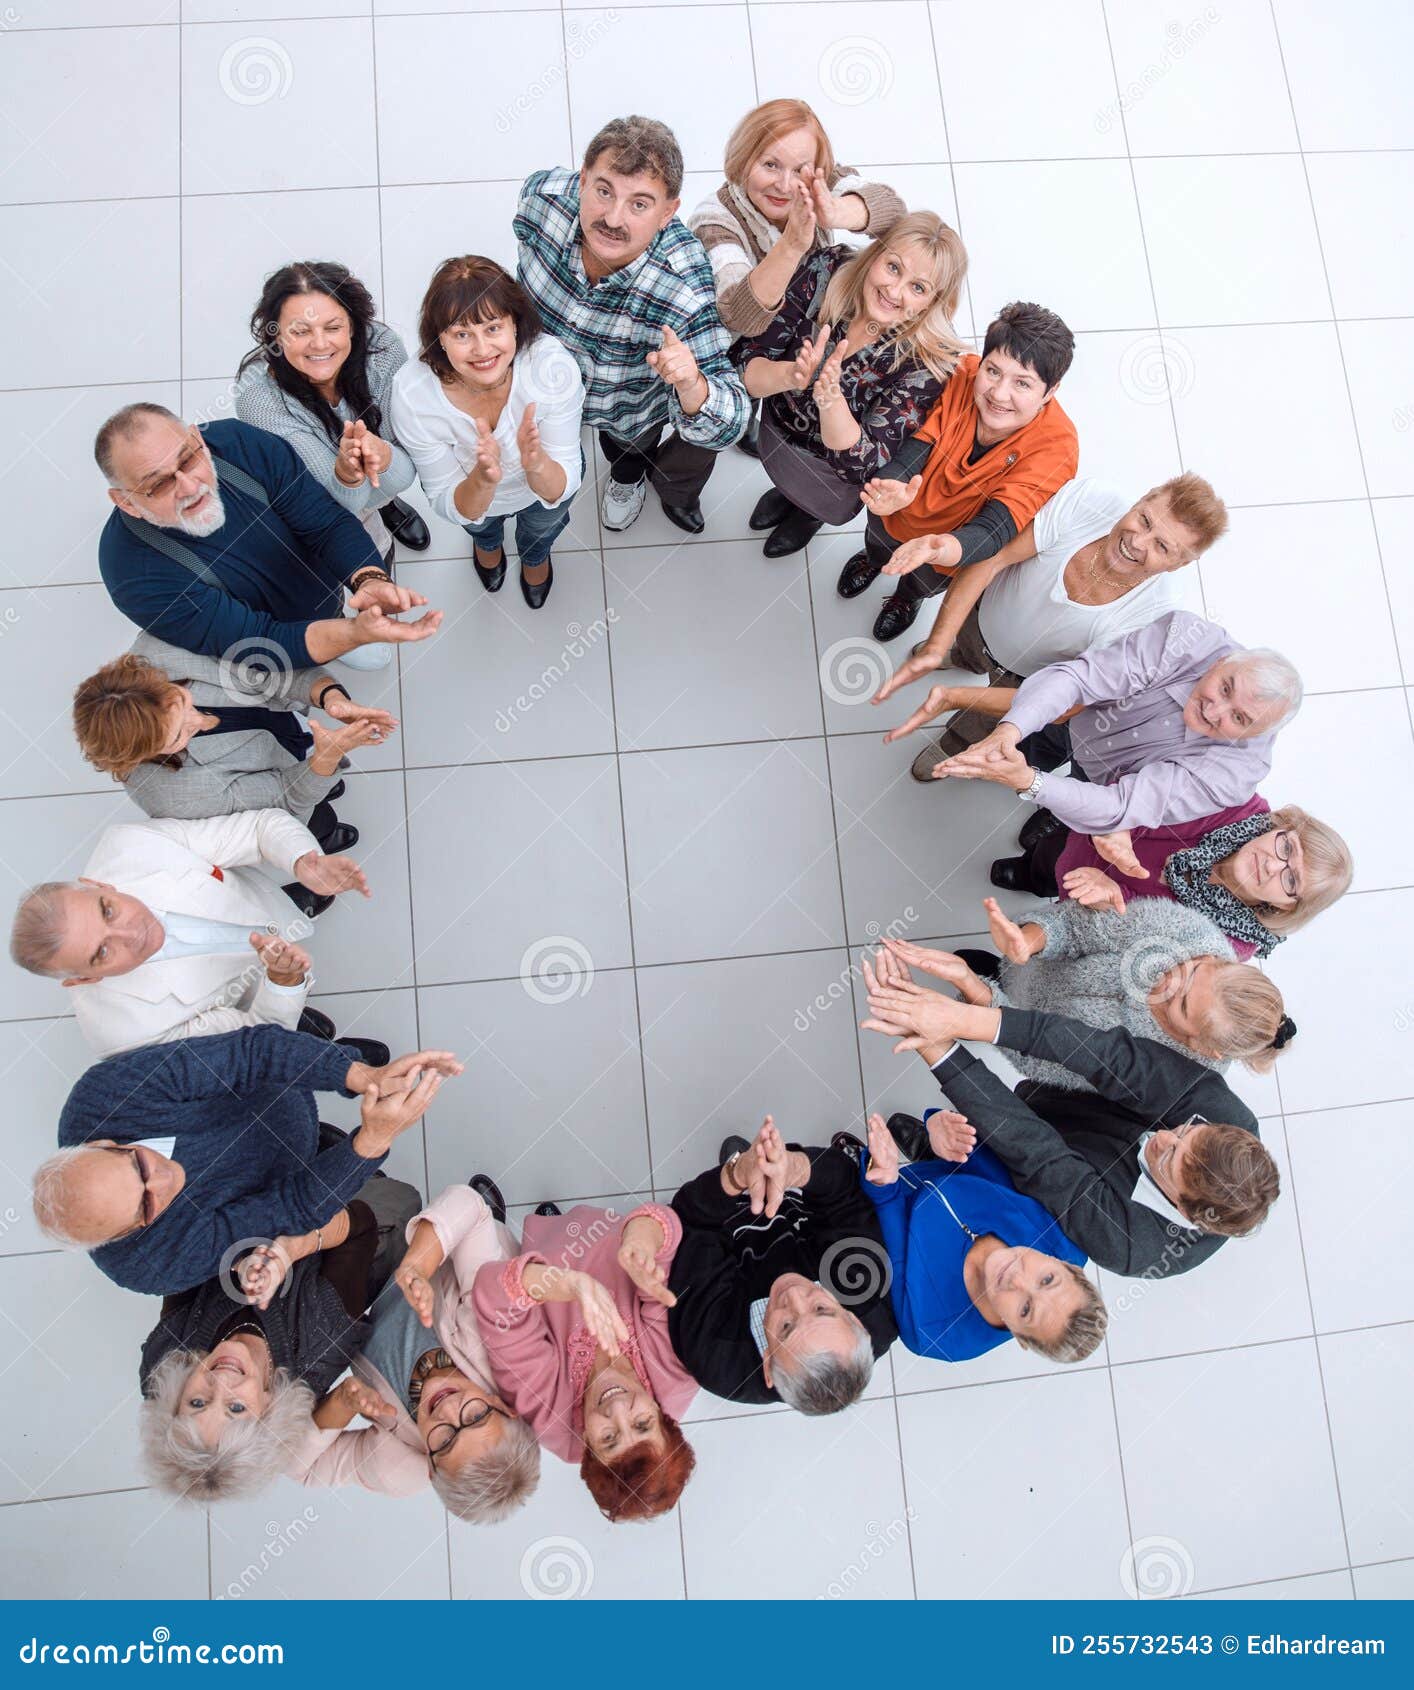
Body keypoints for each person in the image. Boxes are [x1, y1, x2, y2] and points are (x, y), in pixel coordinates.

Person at [858, 950, 1280, 1280]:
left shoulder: (1133, 1244)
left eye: (1171, 1158)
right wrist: (964, 1018)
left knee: (989, 1148)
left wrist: (934, 1046)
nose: (1164, 1137)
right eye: (1187, 1130)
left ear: (1185, 1212)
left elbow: (1036, 1152)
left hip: (1056, 1174)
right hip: (1086, 1106)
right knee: (1026, 1096)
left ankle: (934, 1151)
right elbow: (1101, 1054)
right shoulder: (1226, 1115)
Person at [33, 1025, 459, 1294]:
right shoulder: (147, 1264)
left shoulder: (100, 1098)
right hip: (286, 1168)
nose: (166, 1179)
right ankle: (328, 1139)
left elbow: (251, 1054)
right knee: (337, 1170)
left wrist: (363, 1077)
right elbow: (292, 1207)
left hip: (269, 1086)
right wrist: (372, 1139)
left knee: (306, 1059)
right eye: (146, 1205)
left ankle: (327, 1057)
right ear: (127, 1233)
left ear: (106, 1142)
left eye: (140, 1167)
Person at [874, 473, 1229, 781]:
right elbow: (993, 559)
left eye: (1162, 546)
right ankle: (959, 657)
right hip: (986, 614)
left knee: (981, 725)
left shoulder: (1153, 618)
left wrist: (956, 699)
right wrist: (938, 642)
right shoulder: (1090, 500)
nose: (1137, 542)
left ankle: (953, 745)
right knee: (968, 647)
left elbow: (1067, 704)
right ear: (1141, 499)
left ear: (1180, 564)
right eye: (1145, 520)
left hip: (1028, 680)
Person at [928, 612, 1303, 882]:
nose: (1215, 710)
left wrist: (1032, 783)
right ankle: (1004, 760)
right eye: (1224, 688)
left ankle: (1035, 867)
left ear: (1252, 736)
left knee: (1069, 838)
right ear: (1221, 662)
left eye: (1238, 719)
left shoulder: (1235, 774)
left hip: (1114, 789)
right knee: (1034, 739)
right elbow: (1080, 681)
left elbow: (1119, 806)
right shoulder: (1188, 639)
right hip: (1080, 719)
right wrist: (1010, 730)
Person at [514, 114, 749, 537]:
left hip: (620, 409)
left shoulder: (685, 290)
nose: (614, 218)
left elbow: (731, 421)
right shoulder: (541, 196)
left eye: (639, 204)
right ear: (583, 179)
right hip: (535, 384)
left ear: (668, 212)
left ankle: (627, 478)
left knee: (625, 449)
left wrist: (692, 382)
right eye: (604, 191)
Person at [95, 403, 441, 678]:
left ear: (197, 438)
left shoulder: (238, 444)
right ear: (126, 502)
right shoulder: (131, 574)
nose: (189, 486)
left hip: (330, 587)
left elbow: (323, 522)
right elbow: (256, 640)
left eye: (188, 458)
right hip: (281, 637)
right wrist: (352, 633)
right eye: (158, 485)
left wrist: (368, 578)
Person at [138, 1175, 421, 1503]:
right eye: (237, 1407)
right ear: (267, 1407)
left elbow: (183, 1264)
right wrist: (293, 1247)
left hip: (251, 1215)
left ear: (176, 1397)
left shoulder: (166, 1364)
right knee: (400, 1202)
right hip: (338, 1241)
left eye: (197, 1402)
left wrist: (233, 1257)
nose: (221, 1381)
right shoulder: (322, 1340)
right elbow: (361, 1227)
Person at [9, 809, 370, 1058]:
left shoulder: (130, 844)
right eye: (103, 952)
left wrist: (304, 863)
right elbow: (255, 1034)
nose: (132, 932)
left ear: (96, 883)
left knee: (278, 912)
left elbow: (257, 830)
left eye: (108, 910)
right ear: (84, 979)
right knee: (290, 1036)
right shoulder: (127, 1035)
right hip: (254, 995)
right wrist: (282, 981)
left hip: (255, 902)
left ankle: (295, 902)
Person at [293, 1178, 541, 1523]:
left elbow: (305, 1469)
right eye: (475, 1417)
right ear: (502, 1406)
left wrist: (342, 1404)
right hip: (455, 1264)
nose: (449, 1410)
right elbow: (469, 1206)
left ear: (430, 1466)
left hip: (377, 1300)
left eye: (446, 1442)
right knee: (403, 1202)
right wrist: (417, 1268)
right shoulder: (495, 1340)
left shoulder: (398, 1467)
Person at [71, 644, 392, 906]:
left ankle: (320, 780)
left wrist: (329, 697)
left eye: (181, 701)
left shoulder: (164, 649)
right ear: (148, 755)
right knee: (317, 821)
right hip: (277, 787)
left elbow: (271, 668)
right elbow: (284, 801)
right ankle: (324, 830)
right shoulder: (176, 795)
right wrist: (326, 758)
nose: (198, 720)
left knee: (316, 778)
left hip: (283, 734)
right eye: (178, 736)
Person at [838, 301, 1078, 641]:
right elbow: (918, 445)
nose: (999, 393)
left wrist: (938, 548)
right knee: (878, 543)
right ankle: (872, 561)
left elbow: (996, 528)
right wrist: (892, 482)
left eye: (1022, 384)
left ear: (1049, 393)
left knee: (922, 580)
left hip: (952, 548)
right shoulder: (961, 375)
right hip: (898, 511)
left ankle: (906, 599)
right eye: (992, 371)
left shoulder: (1057, 448)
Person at [882, 896, 1293, 1092]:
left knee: (978, 990)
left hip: (1023, 1023)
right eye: (1192, 969)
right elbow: (1080, 927)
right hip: (1037, 968)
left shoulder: (1165, 1077)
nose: (1169, 982)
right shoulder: (1191, 935)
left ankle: (990, 989)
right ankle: (1000, 974)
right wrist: (1028, 942)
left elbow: (1037, 1058)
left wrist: (979, 998)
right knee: (990, 966)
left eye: (1181, 1005)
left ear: (1204, 1047)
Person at [735, 212, 966, 558]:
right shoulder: (827, 270)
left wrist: (831, 402)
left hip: (828, 475)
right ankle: (785, 493)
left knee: (814, 502)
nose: (894, 290)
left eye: (918, 288)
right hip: (778, 427)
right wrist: (789, 376)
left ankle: (809, 516)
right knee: (782, 478)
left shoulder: (928, 365)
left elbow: (865, 465)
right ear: (875, 253)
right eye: (893, 267)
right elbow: (745, 358)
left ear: (932, 303)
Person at [688, 97, 905, 458]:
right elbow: (741, 317)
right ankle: (681, 484)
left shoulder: (818, 181)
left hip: (793, 327)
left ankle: (755, 421)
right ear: (743, 161)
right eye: (770, 165)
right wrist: (790, 247)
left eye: (799, 169)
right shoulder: (715, 220)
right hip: (730, 345)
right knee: (707, 435)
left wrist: (834, 210)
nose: (785, 185)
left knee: (782, 385)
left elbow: (892, 209)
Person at [473, 1195, 698, 1522]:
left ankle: (539, 1223)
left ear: (588, 1449)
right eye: (641, 1423)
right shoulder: (678, 1374)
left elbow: (494, 1304)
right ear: (664, 1418)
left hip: (544, 1261)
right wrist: (642, 1241)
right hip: (608, 1233)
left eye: (608, 1438)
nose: (617, 1409)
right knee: (581, 1224)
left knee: (535, 1235)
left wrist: (564, 1283)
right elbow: (668, 1226)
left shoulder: (552, 1423)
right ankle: (555, 1220)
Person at [392, 255, 584, 609]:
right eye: (462, 334)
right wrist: (482, 480)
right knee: (481, 527)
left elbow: (565, 478)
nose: (482, 350)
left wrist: (537, 463)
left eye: (493, 328)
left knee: (541, 531)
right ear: (440, 339)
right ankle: (488, 545)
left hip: (543, 487)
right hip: (473, 497)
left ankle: (534, 556)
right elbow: (446, 500)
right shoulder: (411, 394)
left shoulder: (552, 366)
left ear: (515, 326)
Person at [667, 1116, 897, 1412]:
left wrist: (736, 1177)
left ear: (767, 1366)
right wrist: (792, 1168)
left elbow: (689, 1223)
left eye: (786, 1326)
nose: (794, 1296)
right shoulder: (872, 1301)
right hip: (798, 1202)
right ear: (855, 1321)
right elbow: (843, 1192)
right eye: (821, 1309)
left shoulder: (715, 1353)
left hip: (726, 1228)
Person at [855, 1111, 1107, 1366]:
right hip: (954, 1171)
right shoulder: (1066, 1235)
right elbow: (1007, 1158)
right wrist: (946, 1133)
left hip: (891, 1214)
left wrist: (883, 1181)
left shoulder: (935, 1333)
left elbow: (893, 1248)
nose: (1016, 1279)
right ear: (1068, 1265)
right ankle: (926, 1151)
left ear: (1020, 1337)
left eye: (1025, 1310)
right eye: (1047, 1279)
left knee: (853, 1201)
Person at [234, 260, 431, 561]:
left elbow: (405, 472)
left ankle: (388, 506)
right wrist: (347, 474)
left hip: (387, 478)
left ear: (353, 326)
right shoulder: (258, 400)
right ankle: (380, 503)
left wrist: (383, 453)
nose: (320, 344)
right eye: (300, 331)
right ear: (276, 336)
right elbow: (344, 503)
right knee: (359, 501)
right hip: (337, 495)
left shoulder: (384, 348)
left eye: (333, 327)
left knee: (385, 489)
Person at [1053, 801, 1353, 962]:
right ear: (1283, 828)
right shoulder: (1240, 808)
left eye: (1290, 880)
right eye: (1287, 847)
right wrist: (1116, 832)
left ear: (1286, 907)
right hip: (1088, 834)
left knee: (1050, 892)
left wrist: (1118, 897)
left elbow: (1145, 943)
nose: (1272, 864)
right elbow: (1149, 806)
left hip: (1085, 905)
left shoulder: (1232, 945)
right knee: (1045, 856)